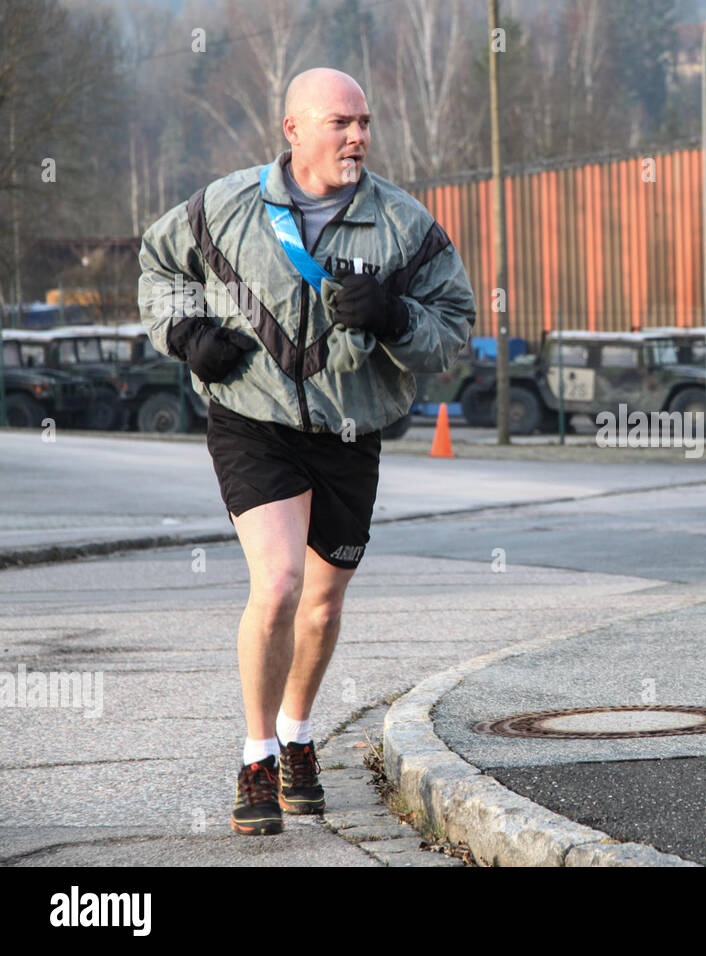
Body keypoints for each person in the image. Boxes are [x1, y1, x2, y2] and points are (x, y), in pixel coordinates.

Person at [138, 68, 476, 836]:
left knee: (322, 603)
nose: (357, 136)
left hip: (351, 430)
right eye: (340, 122)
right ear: (293, 130)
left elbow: (451, 326)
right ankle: (256, 756)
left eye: (364, 121)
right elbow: (158, 269)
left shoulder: (403, 224)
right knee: (281, 582)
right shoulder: (223, 207)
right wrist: (187, 335)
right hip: (252, 419)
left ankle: (297, 736)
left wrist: (394, 314)